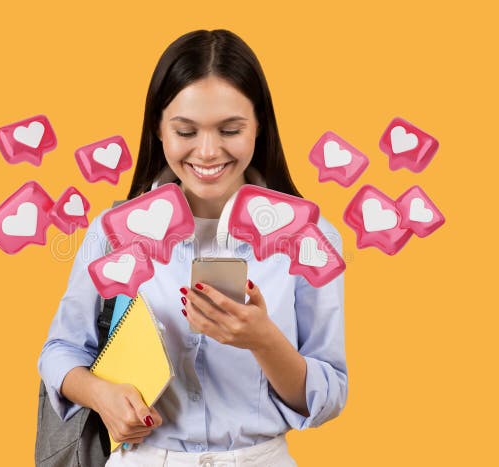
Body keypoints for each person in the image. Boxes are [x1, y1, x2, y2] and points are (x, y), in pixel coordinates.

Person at [38, 29, 347, 467]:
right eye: (185, 130)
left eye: (230, 129)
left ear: (259, 126)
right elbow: (60, 352)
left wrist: (264, 341)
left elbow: (330, 394)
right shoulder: (114, 230)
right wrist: (101, 395)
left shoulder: (309, 239)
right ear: (158, 129)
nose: (207, 151)